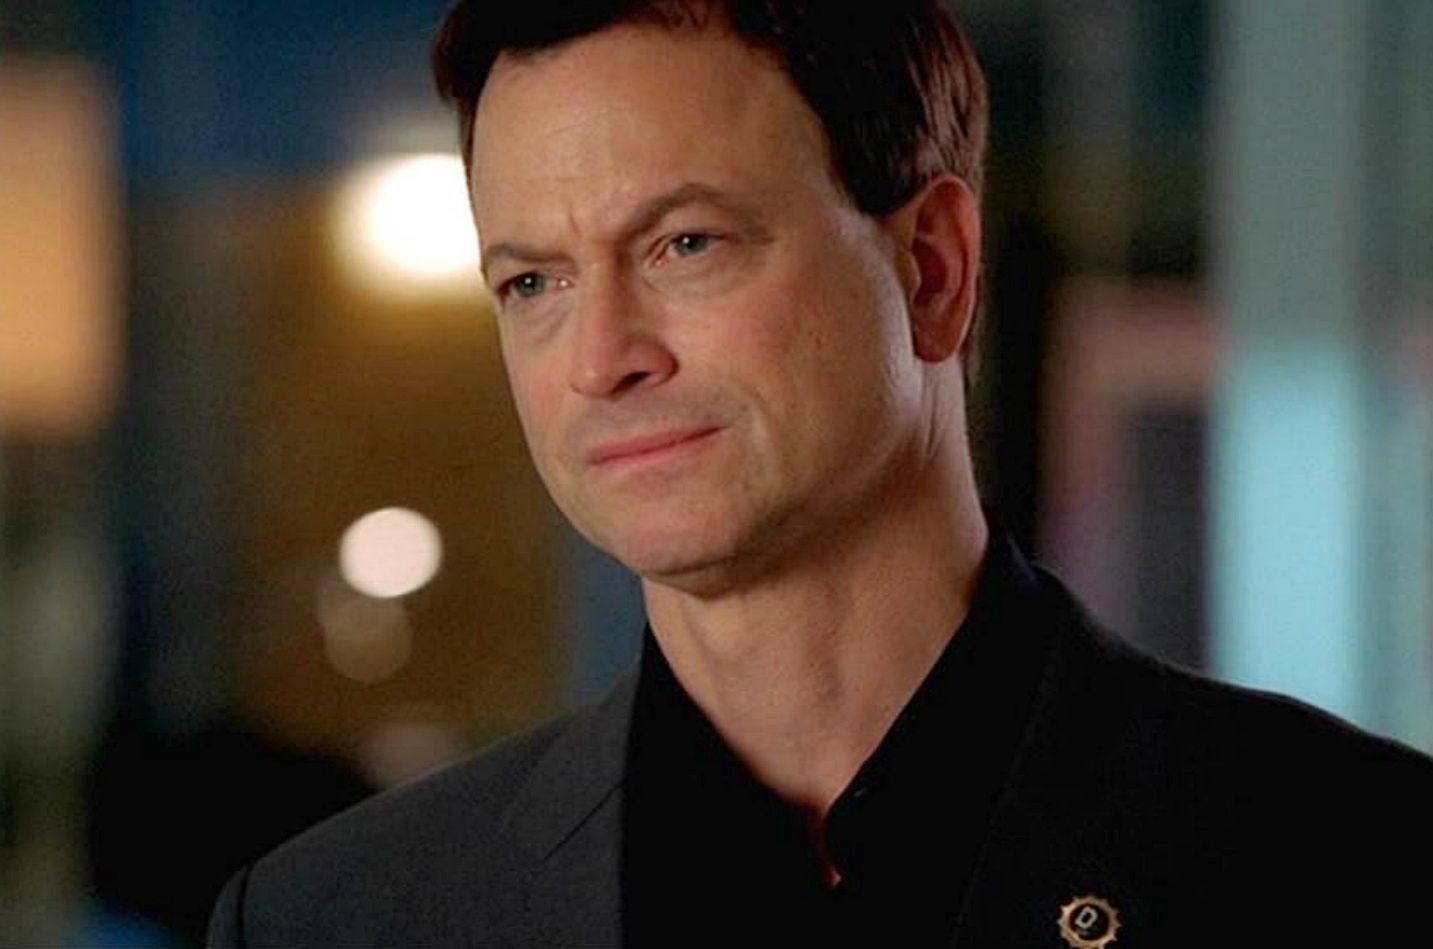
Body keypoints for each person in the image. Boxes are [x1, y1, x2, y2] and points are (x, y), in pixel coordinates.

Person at [209, 2, 1433, 946]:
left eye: (685, 244)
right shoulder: (336, 920)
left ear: (931, 270)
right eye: (532, 282)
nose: (599, 359)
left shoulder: (1359, 861)